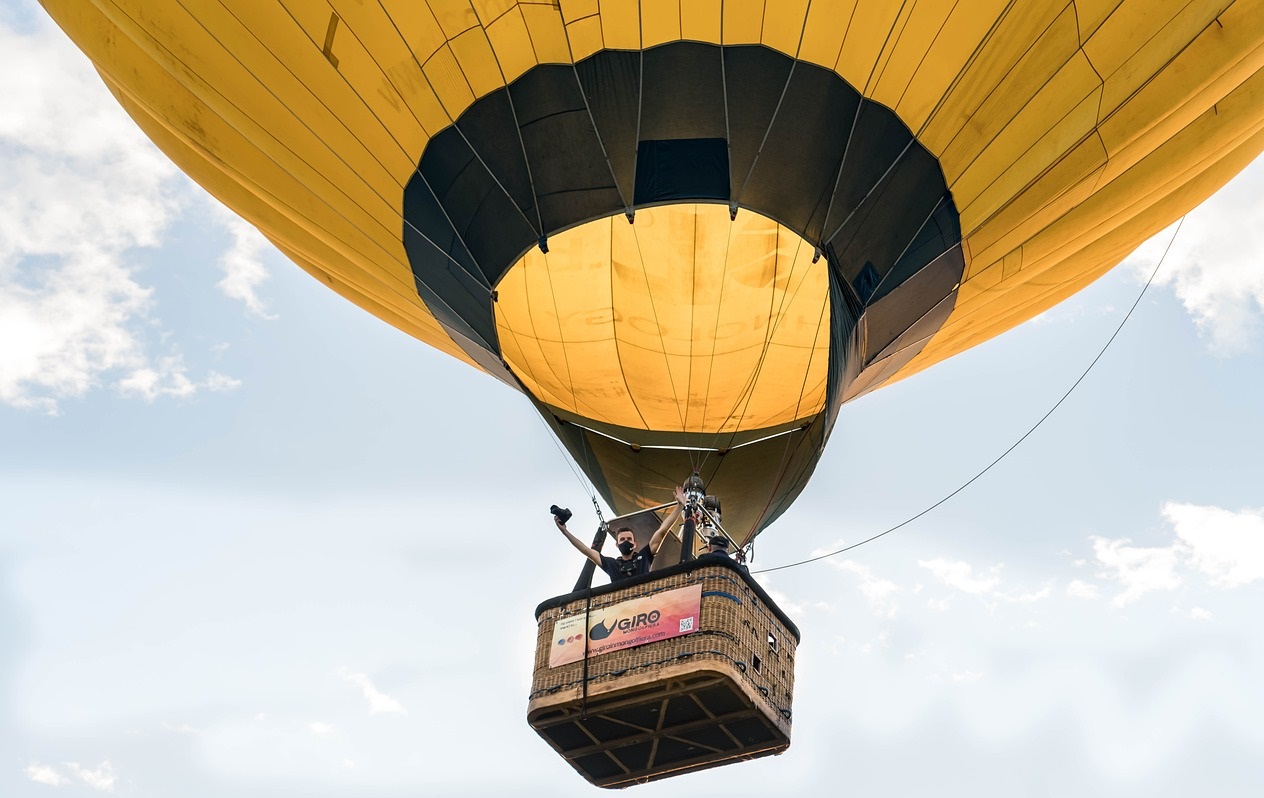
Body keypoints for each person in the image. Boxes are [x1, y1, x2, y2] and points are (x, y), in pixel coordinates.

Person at [556, 486, 685, 582]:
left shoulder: (645, 556)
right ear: (617, 544)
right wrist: (565, 532)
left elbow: (662, 531)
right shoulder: (611, 564)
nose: (626, 541)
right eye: (622, 539)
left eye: (629, 538)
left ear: (634, 544)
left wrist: (679, 507)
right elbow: (585, 550)